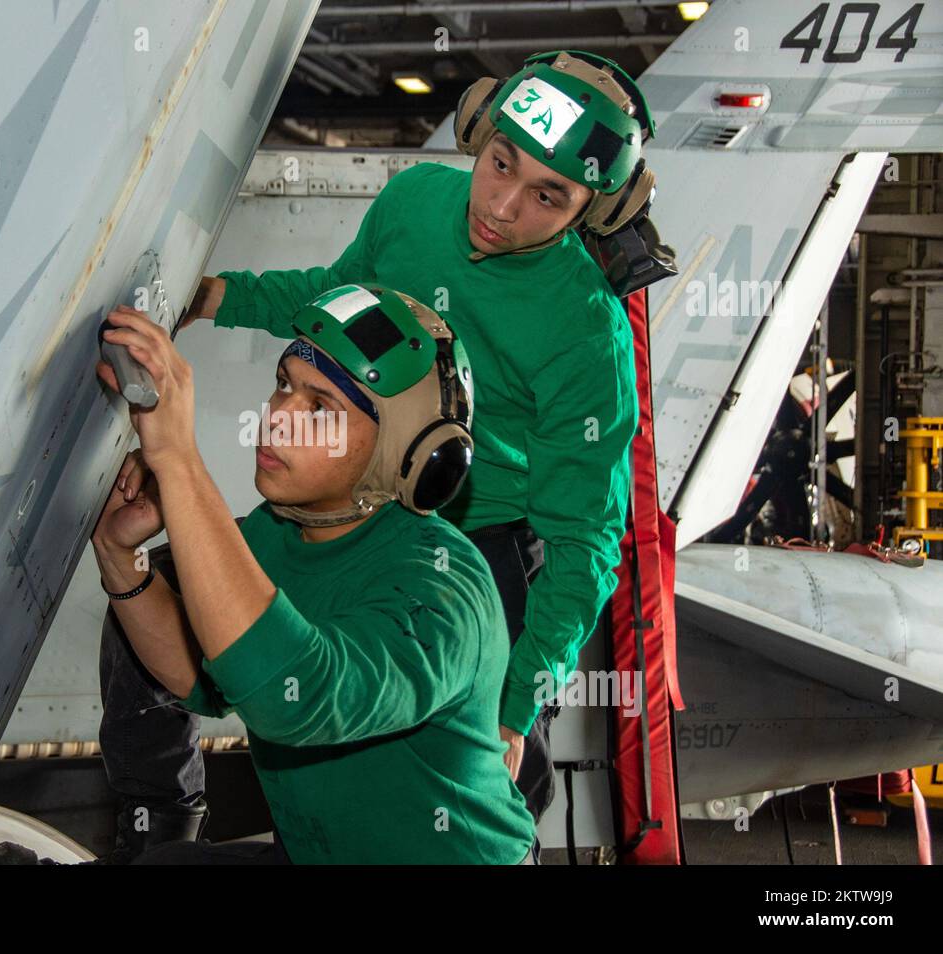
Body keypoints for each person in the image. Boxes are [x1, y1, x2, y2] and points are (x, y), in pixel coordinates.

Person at [95, 49, 652, 862]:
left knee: (471, 766)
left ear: (594, 209)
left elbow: (587, 544)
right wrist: (216, 297)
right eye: (501, 163)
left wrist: (513, 710)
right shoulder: (415, 202)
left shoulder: (586, 334)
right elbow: (335, 300)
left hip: (484, 538)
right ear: (479, 131)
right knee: (180, 595)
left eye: (548, 196)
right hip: (362, 506)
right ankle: (160, 826)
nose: (501, 207)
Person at [91, 286, 534, 863]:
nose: (278, 418)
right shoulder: (272, 535)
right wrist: (118, 555)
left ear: (404, 451)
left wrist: (177, 459)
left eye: (320, 408)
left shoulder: (444, 592)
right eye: (284, 384)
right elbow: (202, 680)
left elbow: (296, 698)